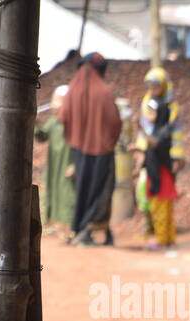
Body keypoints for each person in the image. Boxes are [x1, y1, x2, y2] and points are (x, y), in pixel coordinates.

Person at [59, 52, 122, 246]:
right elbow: (115, 122)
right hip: (102, 152)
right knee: (101, 190)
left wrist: (77, 136)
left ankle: (78, 228)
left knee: (83, 190)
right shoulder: (104, 91)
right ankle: (88, 231)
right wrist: (108, 142)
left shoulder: (72, 90)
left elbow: (62, 117)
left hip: (79, 151)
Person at [133, 67, 186, 251]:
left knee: (161, 199)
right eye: (149, 85)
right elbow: (147, 129)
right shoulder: (148, 102)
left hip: (164, 159)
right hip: (151, 159)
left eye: (155, 85)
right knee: (152, 198)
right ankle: (158, 233)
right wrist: (140, 152)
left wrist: (177, 158)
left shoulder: (170, 108)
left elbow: (170, 135)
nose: (152, 89)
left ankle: (163, 237)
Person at [35, 85, 76, 230]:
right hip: (56, 165)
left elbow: (82, 145)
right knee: (56, 195)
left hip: (69, 165)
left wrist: (76, 165)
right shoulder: (54, 121)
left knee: (69, 196)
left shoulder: (76, 122)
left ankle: (73, 228)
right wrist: (35, 122)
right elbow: (42, 136)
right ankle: (63, 229)